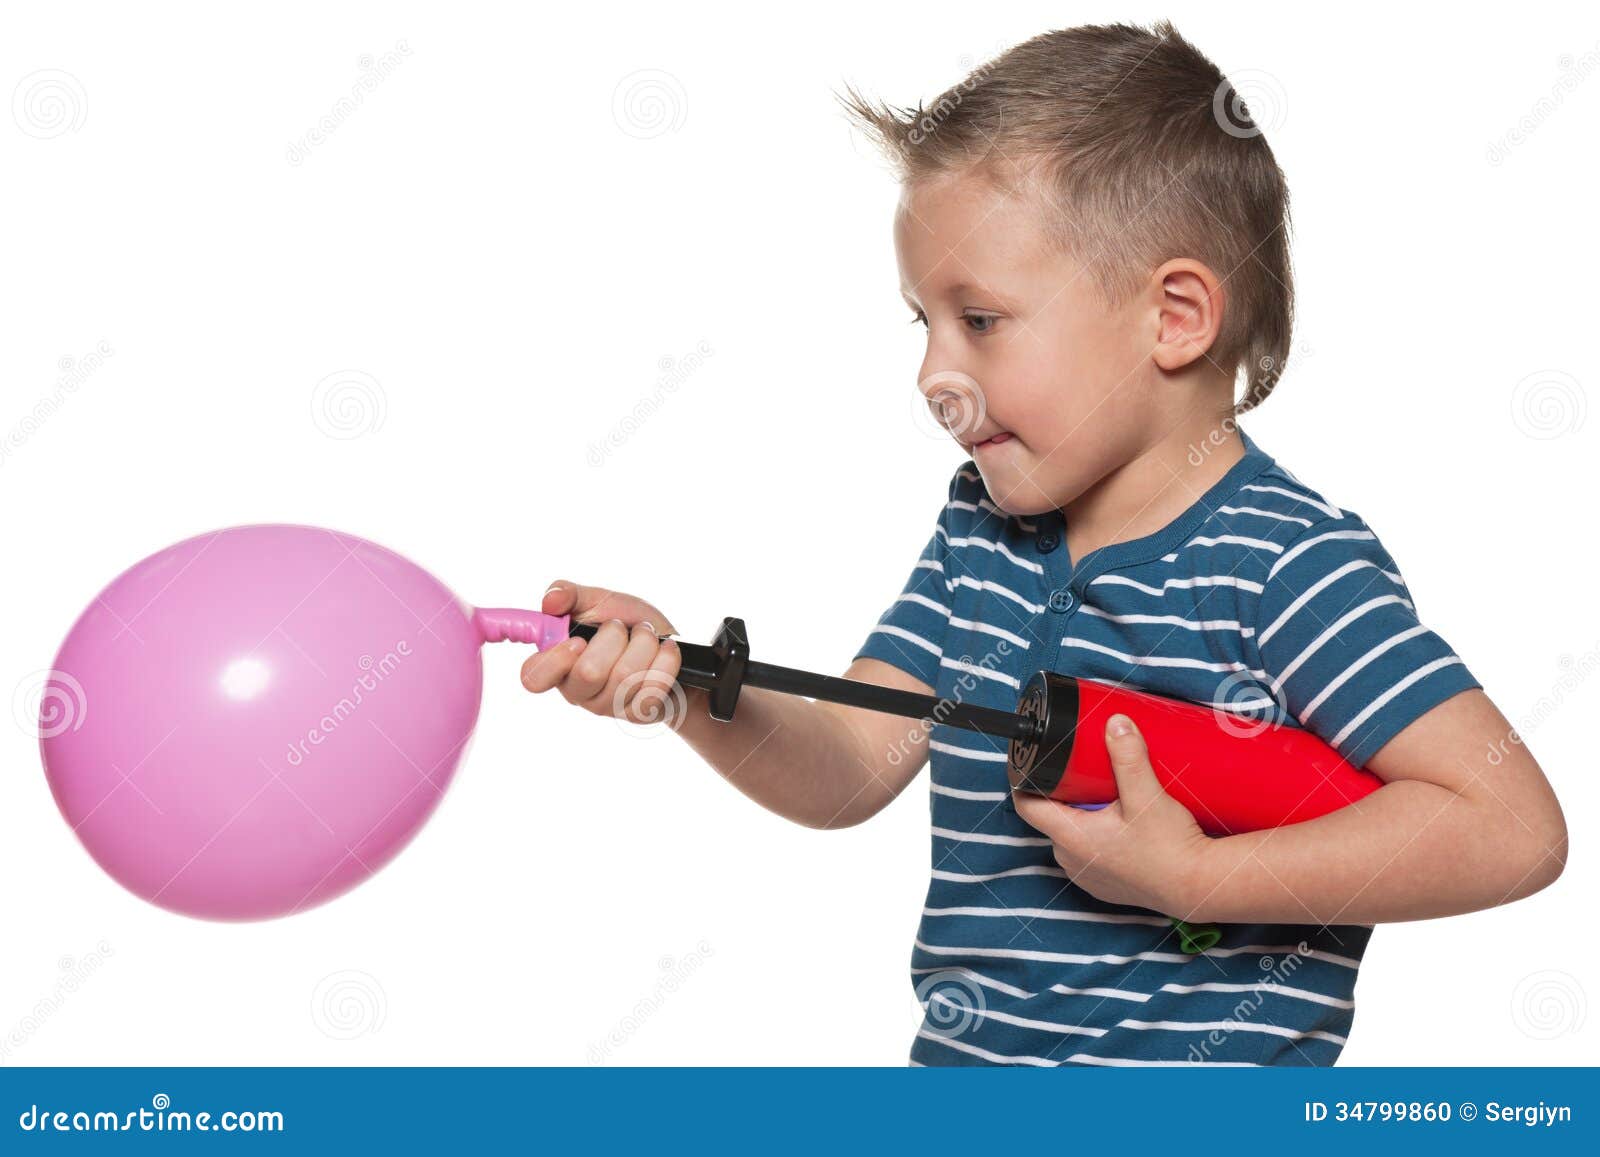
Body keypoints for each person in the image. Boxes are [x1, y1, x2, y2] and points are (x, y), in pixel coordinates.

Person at [521, 21, 1567, 1066]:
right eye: (920, 321)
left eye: (979, 319)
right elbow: (847, 766)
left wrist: (1198, 882)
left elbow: (1510, 827)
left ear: (1174, 316)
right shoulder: (980, 533)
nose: (933, 372)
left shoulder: (1285, 563)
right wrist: (695, 682)